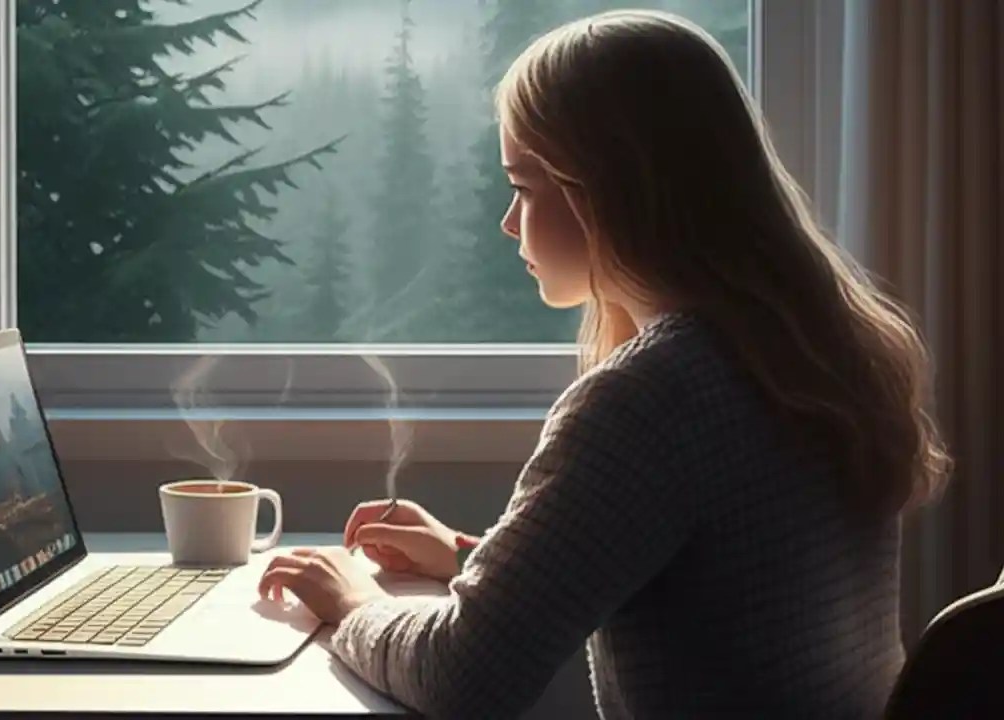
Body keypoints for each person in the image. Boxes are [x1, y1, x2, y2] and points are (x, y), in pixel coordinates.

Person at [256, 9, 950, 719]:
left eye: (523, 187)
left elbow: (461, 678)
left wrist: (351, 604)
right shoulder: (821, 351)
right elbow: (713, 582)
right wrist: (473, 560)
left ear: (607, 189)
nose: (506, 221)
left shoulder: (651, 399)